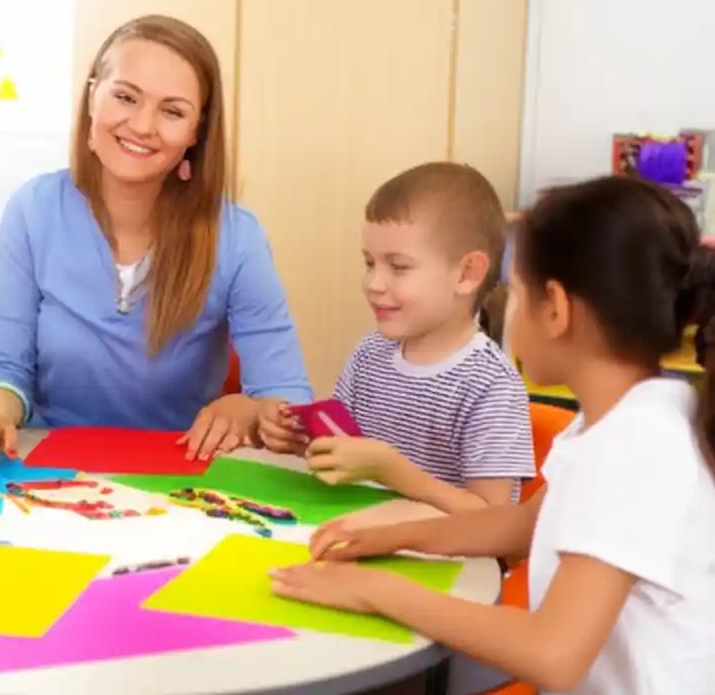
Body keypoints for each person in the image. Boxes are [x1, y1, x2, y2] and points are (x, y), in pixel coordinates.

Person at [272, 176, 715, 694]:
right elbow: (524, 524)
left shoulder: (635, 444)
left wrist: (375, 591)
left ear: (555, 308)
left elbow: (552, 654)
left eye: (516, 293)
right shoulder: (627, 417)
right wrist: (394, 538)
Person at [0, 15, 312, 469]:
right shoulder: (33, 209)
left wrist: (251, 411)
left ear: (196, 132)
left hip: (180, 481)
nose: (142, 125)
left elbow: (288, 399)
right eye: (125, 97)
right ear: (92, 97)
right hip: (44, 470)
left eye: (172, 111)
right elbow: (5, 364)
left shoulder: (238, 237)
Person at [258, 163, 533, 512]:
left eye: (399, 267)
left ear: (466, 274)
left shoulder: (491, 384)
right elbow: (346, 451)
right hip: (363, 535)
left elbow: (495, 519)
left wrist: (392, 472)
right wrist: (299, 440)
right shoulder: (369, 354)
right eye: (370, 263)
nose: (373, 283)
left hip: (450, 560)